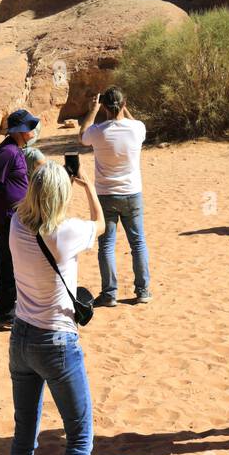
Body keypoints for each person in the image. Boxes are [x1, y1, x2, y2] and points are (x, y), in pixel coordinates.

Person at [8, 158, 106, 455]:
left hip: (21, 339)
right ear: (61, 195)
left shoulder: (17, 224)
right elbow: (100, 224)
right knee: (79, 435)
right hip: (58, 343)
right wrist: (87, 187)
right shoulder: (66, 232)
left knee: (24, 436)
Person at [79, 88, 151, 306]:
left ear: (103, 106)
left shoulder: (99, 131)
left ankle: (110, 294)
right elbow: (135, 123)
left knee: (107, 245)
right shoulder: (137, 128)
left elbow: (82, 136)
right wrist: (124, 109)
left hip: (105, 194)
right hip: (132, 193)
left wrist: (92, 111)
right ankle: (143, 291)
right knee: (138, 243)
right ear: (124, 104)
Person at [0, 109, 40, 329]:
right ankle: (3, 314)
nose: (33, 130)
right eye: (29, 126)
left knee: (12, 261)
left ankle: (9, 307)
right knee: (7, 262)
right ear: (20, 130)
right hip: (6, 216)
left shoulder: (16, 149)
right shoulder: (7, 152)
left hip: (15, 215)